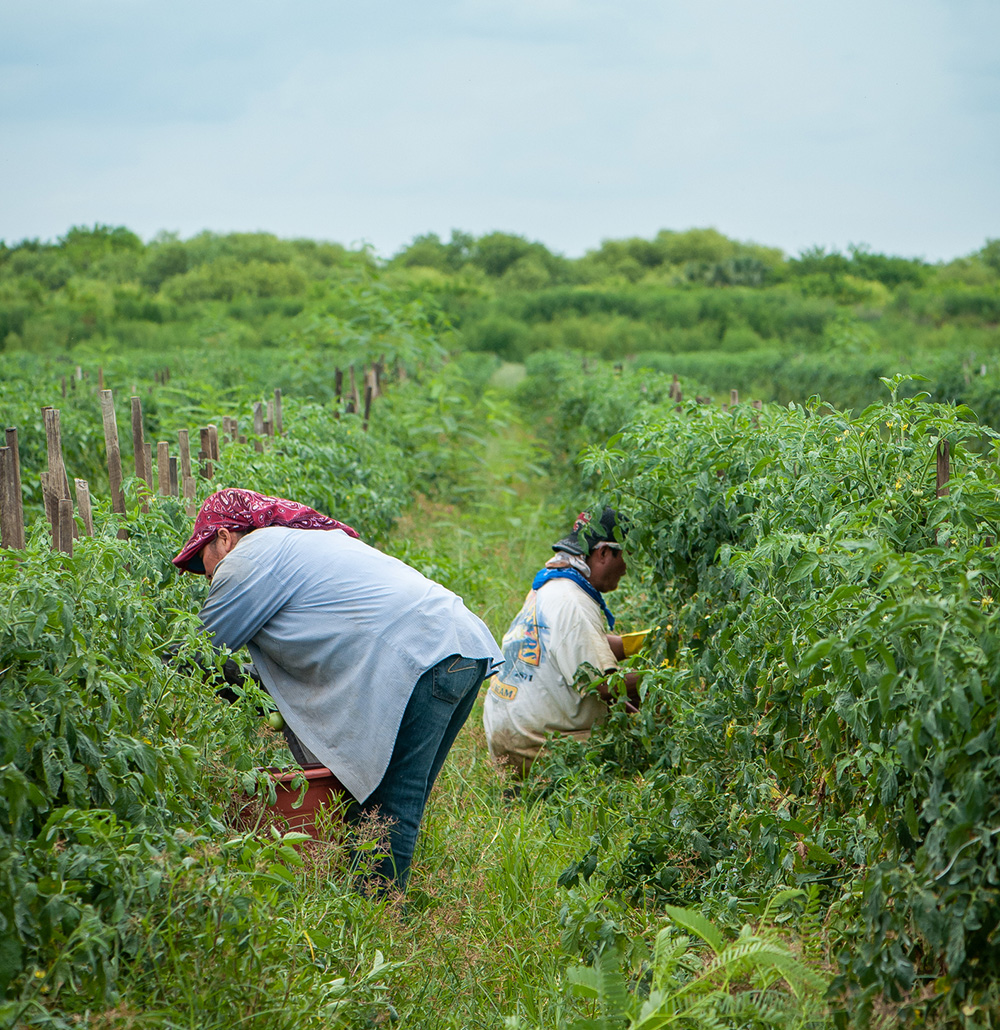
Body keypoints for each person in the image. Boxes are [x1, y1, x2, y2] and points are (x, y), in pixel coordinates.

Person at [172, 488, 503, 890]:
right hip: (458, 644)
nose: (206, 575)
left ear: (223, 536)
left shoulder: (247, 559)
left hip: (421, 654)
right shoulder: (297, 545)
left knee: (388, 808)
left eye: (202, 558)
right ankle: (377, 912)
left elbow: (195, 654)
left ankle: (378, 921)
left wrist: (144, 666)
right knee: (397, 802)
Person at [482, 508, 640, 778]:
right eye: (625, 555)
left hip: (508, 735)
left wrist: (647, 642)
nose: (626, 568)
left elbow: (578, 644)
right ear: (603, 553)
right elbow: (603, 686)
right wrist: (662, 682)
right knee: (654, 724)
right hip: (536, 744)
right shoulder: (573, 602)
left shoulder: (552, 585)